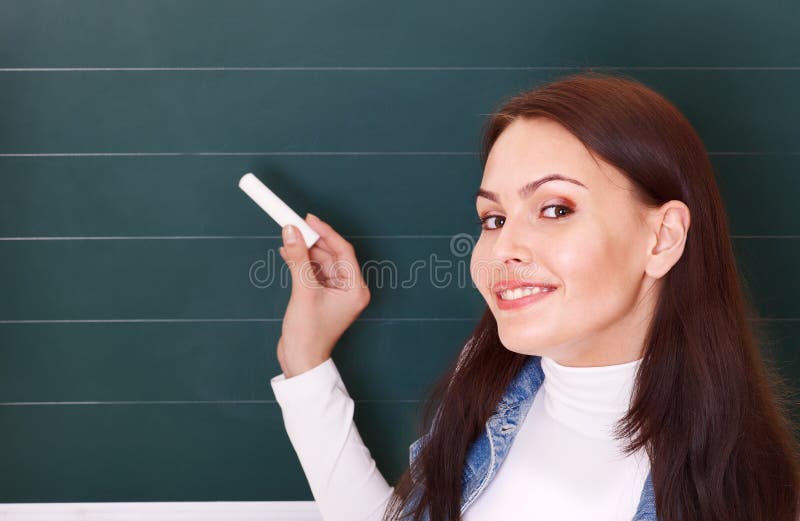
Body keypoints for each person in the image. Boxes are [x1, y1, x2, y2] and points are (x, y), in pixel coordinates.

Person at [268, 71, 800, 521]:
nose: (503, 249)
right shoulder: (490, 381)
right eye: (493, 218)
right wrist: (305, 362)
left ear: (661, 239)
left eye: (554, 209)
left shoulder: (747, 499)